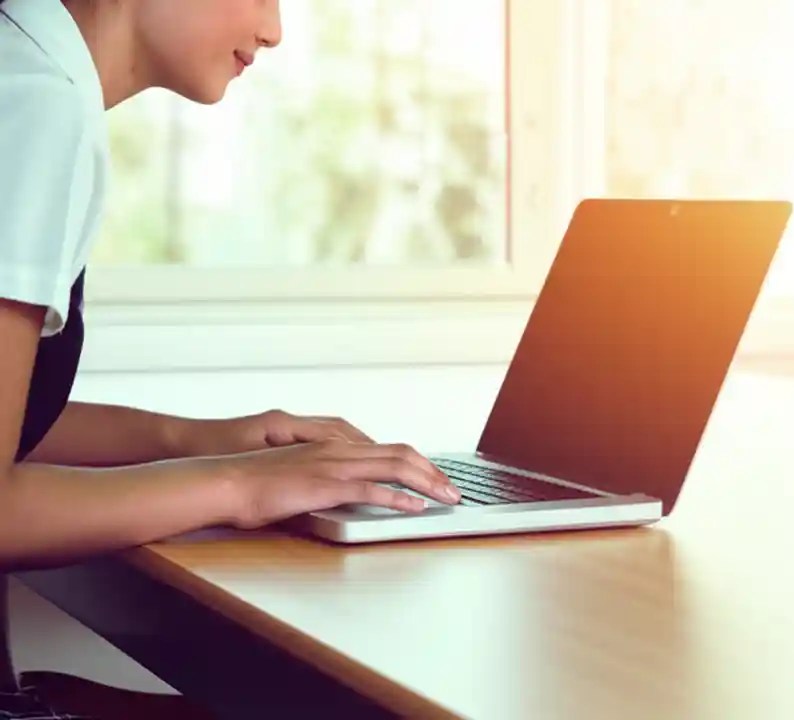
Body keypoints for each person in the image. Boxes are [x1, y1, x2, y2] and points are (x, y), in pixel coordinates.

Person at [0, 0, 462, 715]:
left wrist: (192, 439)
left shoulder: (25, 70)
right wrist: (241, 486)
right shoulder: (35, 104)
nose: (274, 29)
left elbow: (13, 424)